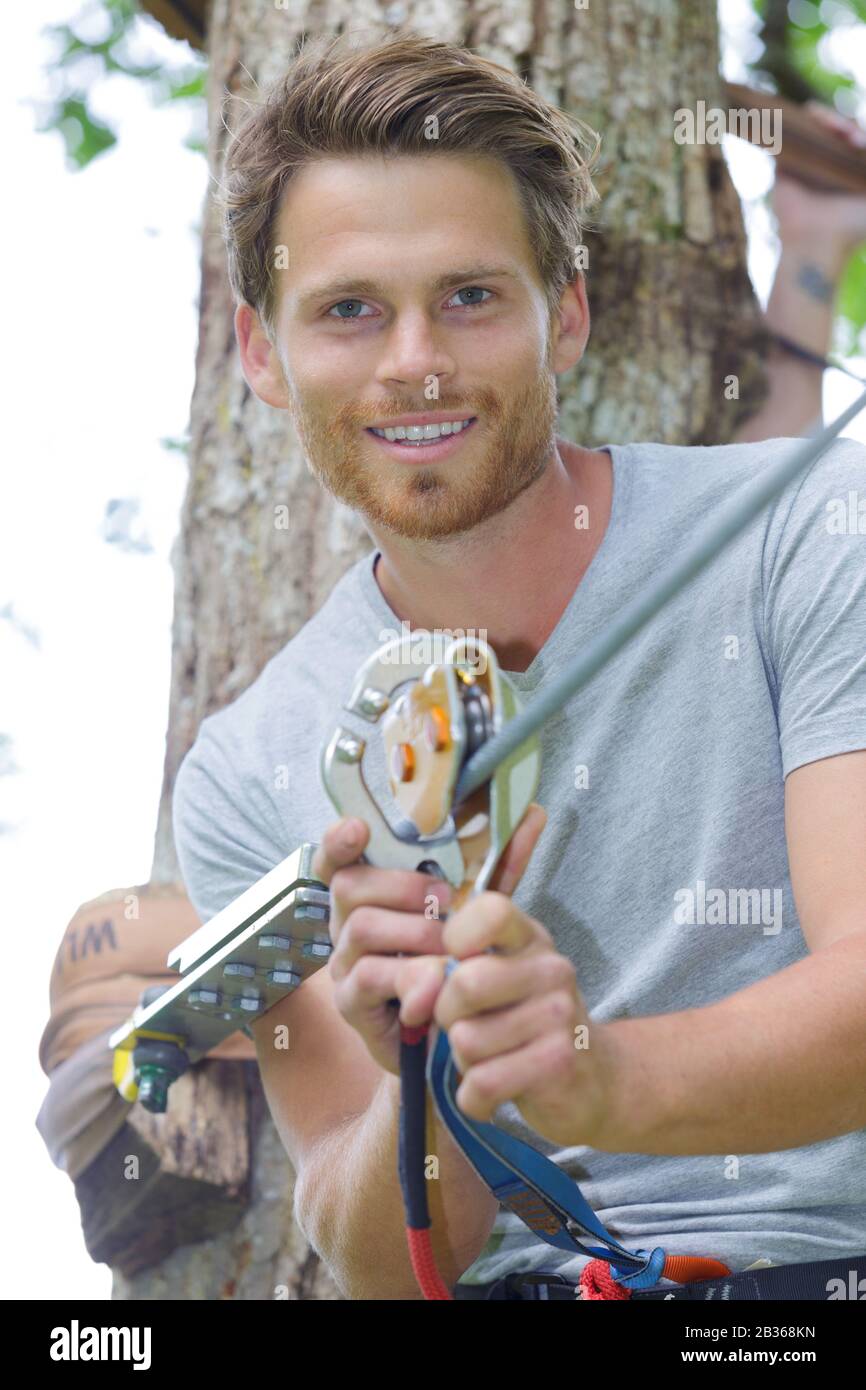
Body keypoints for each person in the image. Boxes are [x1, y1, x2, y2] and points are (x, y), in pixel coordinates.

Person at [172, 32, 866, 1300]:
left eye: (471, 296)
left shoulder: (807, 525)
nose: (412, 360)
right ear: (261, 355)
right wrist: (419, 1081)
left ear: (570, 315)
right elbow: (368, 1247)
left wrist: (596, 1075)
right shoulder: (242, 768)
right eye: (348, 310)